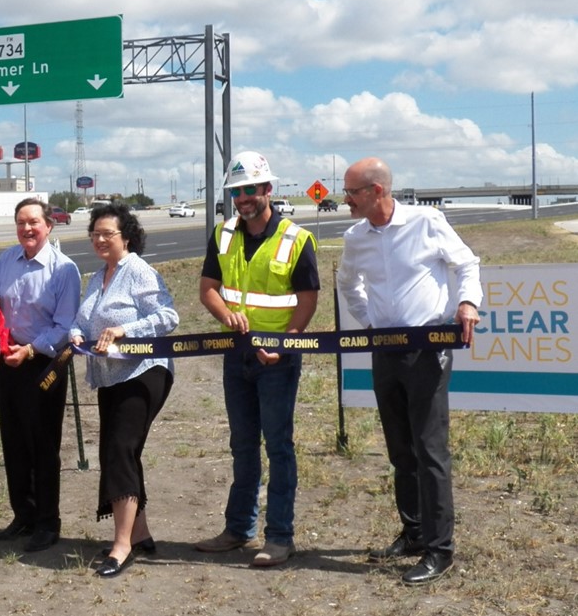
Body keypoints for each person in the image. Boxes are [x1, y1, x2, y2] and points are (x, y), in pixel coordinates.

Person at [336, 157, 481, 586]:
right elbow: (348, 283)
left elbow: (466, 263)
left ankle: (440, 550)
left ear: (377, 191)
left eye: (352, 192)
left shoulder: (426, 222)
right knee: (400, 448)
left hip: (427, 350)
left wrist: (467, 302)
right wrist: (370, 322)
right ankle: (414, 532)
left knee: (430, 449)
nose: (346, 200)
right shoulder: (355, 237)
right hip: (385, 351)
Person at [196, 151, 319, 567]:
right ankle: (238, 529)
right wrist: (225, 316)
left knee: (278, 446)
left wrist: (286, 344)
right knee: (242, 444)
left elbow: (307, 300)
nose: (243, 198)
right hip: (238, 356)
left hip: (277, 361)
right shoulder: (223, 234)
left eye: (250, 189)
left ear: (268, 188)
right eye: (236, 192)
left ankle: (280, 536)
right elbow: (208, 288)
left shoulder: (294, 239)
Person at [69, 203, 177, 578]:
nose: (99, 239)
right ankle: (140, 533)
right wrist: (76, 334)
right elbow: (82, 320)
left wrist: (124, 330)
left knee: (120, 450)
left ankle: (122, 546)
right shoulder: (97, 276)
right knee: (119, 451)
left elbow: (168, 316)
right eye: (94, 234)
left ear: (126, 237)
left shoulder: (138, 271)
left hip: (143, 372)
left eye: (107, 234)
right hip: (109, 377)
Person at [0, 198, 80, 552]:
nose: (27, 229)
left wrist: (31, 350)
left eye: (34, 222)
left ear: (49, 225)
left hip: (43, 363)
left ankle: (47, 522)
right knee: (14, 442)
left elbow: (64, 327)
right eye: (21, 222)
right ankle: (23, 514)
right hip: (10, 360)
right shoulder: (7, 259)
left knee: (43, 445)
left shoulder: (64, 269)